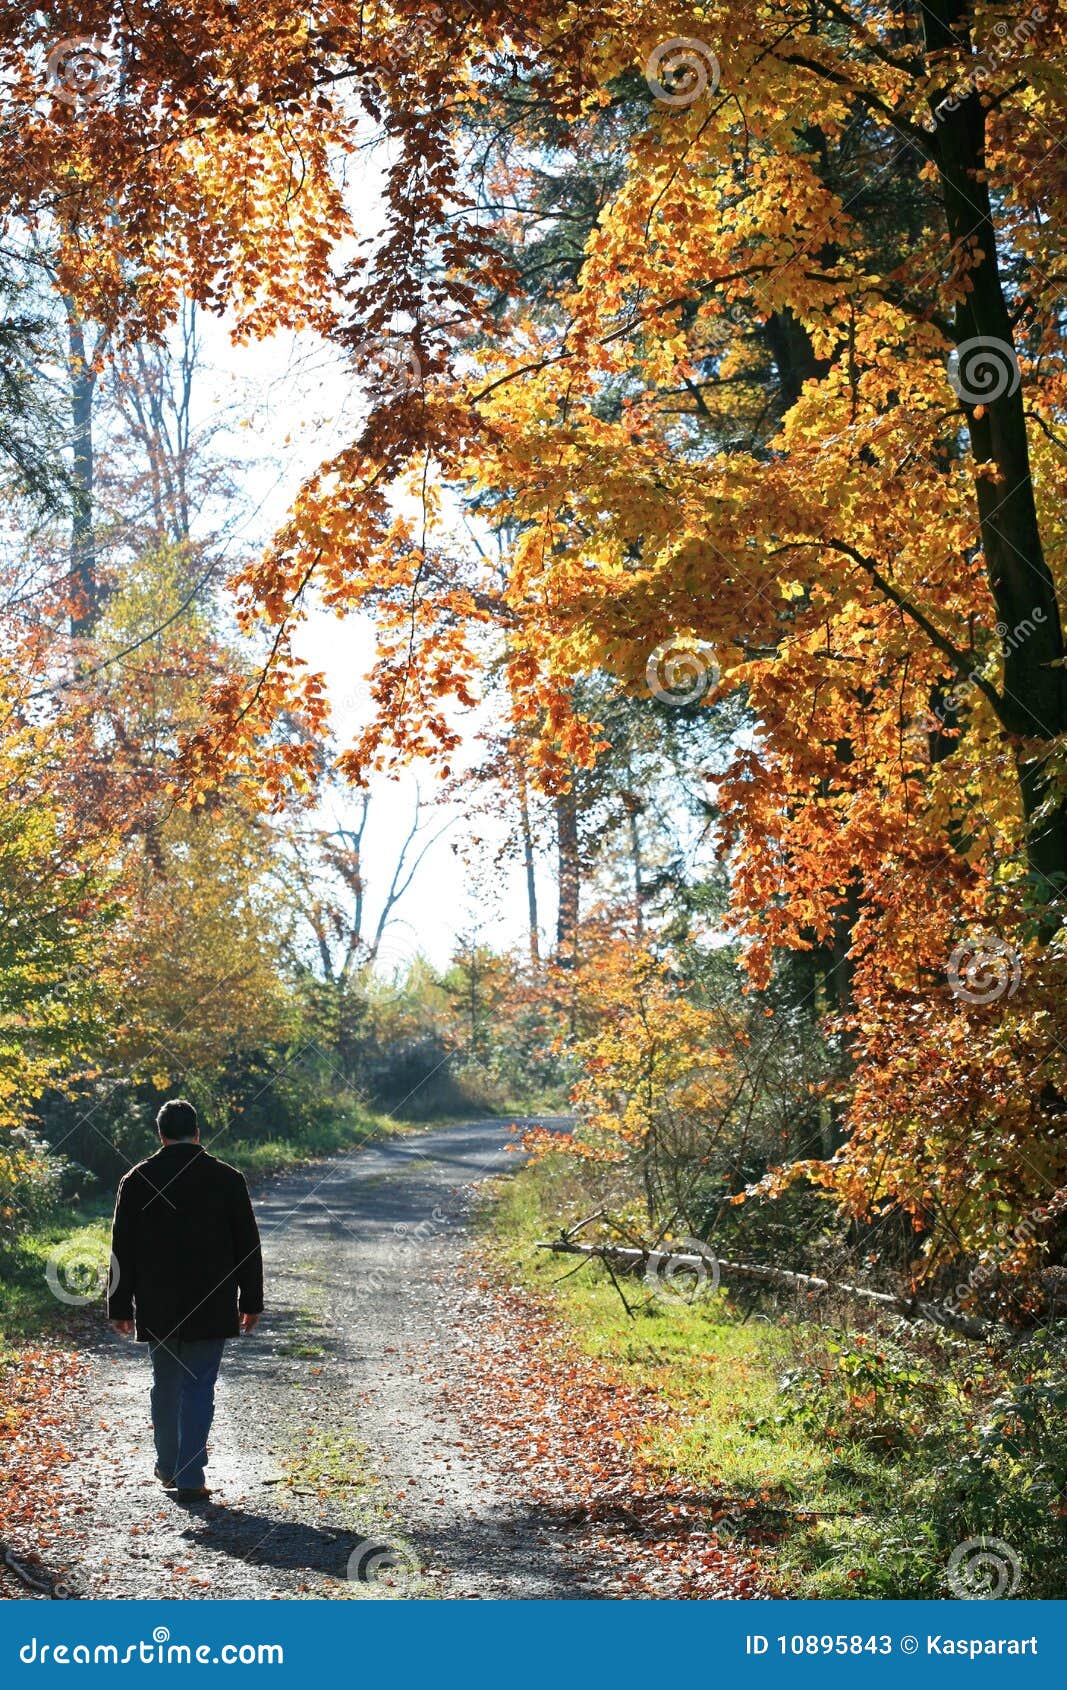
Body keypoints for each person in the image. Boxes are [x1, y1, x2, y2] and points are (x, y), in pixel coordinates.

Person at [107, 1099, 264, 1503]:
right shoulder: (227, 1179)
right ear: (198, 1133)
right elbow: (248, 1245)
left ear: (160, 1134)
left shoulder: (137, 1179)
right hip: (212, 1303)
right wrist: (252, 1299)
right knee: (199, 1387)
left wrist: (120, 1306)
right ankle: (190, 1475)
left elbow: (121, 1249)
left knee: (165, 1384)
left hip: (159, 1303)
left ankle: (168, 1464)